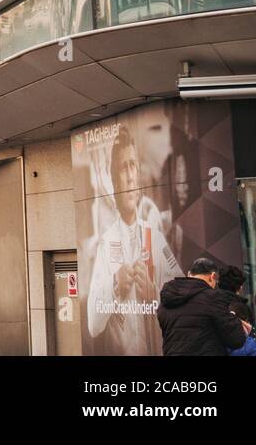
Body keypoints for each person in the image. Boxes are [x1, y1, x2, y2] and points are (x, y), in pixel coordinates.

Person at [86, 126, 181, 354]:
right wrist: (115, 283)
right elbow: (92, 325)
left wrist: (155, 293)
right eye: (122, 168)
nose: (129, 177)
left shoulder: (154, 238)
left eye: (132, 166)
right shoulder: (106, 245)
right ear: (113, 180)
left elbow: (182, 296)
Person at [157, 257, 251, 355]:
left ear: (189, 274)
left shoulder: (168, 297)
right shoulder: (212, 297)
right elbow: (236, 339)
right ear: (212, 276)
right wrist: (233, 317)